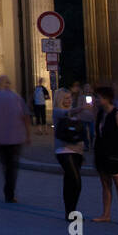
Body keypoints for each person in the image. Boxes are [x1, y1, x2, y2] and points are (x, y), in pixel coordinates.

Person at [0, 75, 31, 203]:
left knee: (4, 164)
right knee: (12, 166)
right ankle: (9, 193)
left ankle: (2, 187)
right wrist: (28, 134)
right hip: (16, 138)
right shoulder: (17, 98)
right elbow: (25, 117)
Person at [92, 86, 118, 225]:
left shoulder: (117, 115)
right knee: (105, 184)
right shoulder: (100, 114)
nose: (96, 100)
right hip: (101, 153)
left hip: (115, 154)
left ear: (106, 98)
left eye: (98, 97)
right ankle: (106, 214)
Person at [52, 89, 89, 218]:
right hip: (64, 150)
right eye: (65, 98)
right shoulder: (57, 112)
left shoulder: (75, 114)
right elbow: (67, 113)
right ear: (59, 100)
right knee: (76, 181)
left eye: (69, 98)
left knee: (69, 181)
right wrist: (82, 107)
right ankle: (71, 212)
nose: (68, 100)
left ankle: (70, 211)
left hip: (77, 151)